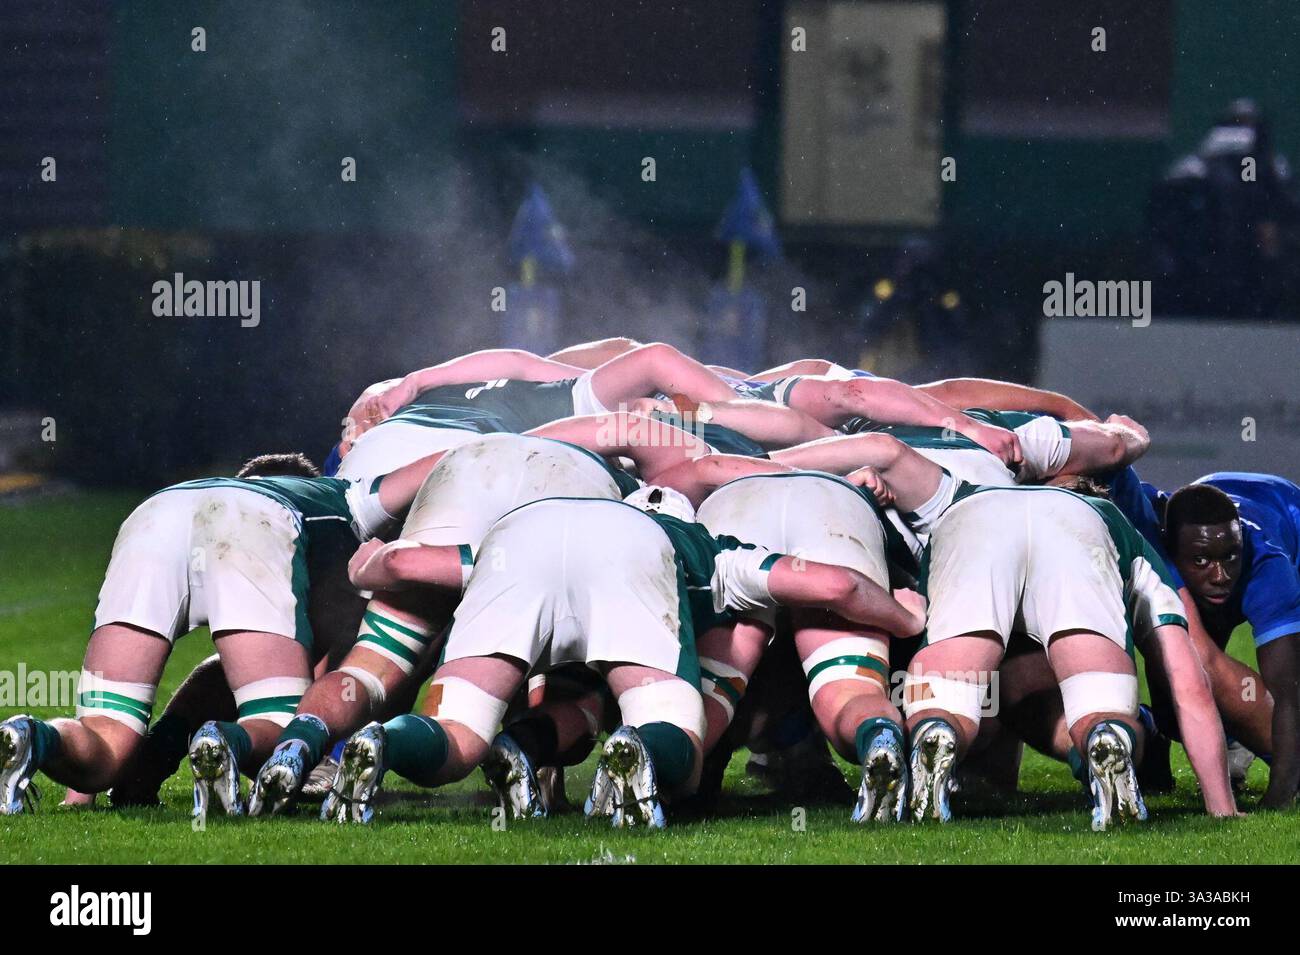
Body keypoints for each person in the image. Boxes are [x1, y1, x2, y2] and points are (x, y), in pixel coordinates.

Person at [322, 490, 923, 828]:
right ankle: (640, 749)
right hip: (637, 558)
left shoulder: (537, 520)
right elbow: (834, 587)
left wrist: (361, 566)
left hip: (518, 536)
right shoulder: (708, 546)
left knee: (457, 733)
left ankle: (384, 743)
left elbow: (402, 564)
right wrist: (903, 617)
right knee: (679, 747)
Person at [0, 452, 428, 818]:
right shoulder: (343, 496)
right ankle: (222, 737)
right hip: (251, 524)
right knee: (281, 727)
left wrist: (82, 793)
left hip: (154, 512)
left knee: (106, 730)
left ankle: (34, 736)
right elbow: (447, 462)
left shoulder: (211, 490)